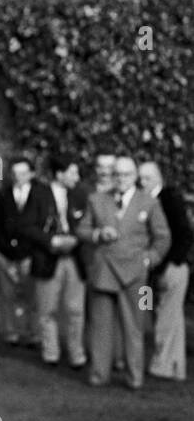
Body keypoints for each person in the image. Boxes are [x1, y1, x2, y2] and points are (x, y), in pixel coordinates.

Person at [77, 155, 169, 390]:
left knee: (134, 327)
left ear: (135, 176)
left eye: (126, 174)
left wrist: (149, 260)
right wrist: (98, 234)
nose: (121, 179)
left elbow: (162, 237)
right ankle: (99, 375)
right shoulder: (97, 199)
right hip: (103, 271)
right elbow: (82, 229)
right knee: (100, 327)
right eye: (117, 174)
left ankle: (134, 377)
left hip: (135, 275)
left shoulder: (148, 202)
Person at [22, 154, 88, 368]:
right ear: (59, 174)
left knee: (75, 310)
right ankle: (51, 353)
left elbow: (87, 224)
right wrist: (52, 240)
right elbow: (27, 227)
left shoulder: (80, 194)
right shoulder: (38, 194)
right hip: (48, 258)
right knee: (47, 309)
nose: (76, 177)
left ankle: (77, 355)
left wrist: (75, 239)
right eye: (72, 172)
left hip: (74, 259)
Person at [139, 160, 190, 381]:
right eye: (141, 178)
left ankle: (163, 365)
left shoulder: (170, 199)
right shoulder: (142, 201)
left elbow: (184, 233)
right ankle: (173, 366)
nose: (143, 182)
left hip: (169, 270)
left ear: (159, 178)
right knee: (149, 311)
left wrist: (170, 263)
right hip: (148, 272)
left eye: (147, 178)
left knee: (166, 317)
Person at [0, 155, 39, 347]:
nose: (19, 177)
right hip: (5, 252)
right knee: (7, 295)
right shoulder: (2, 195)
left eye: (23, 173)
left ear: (31, 174)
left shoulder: (39, 194)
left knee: (31, 295)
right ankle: (11, 332)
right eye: (15, 173)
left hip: (29, 253)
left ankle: (33, 333)